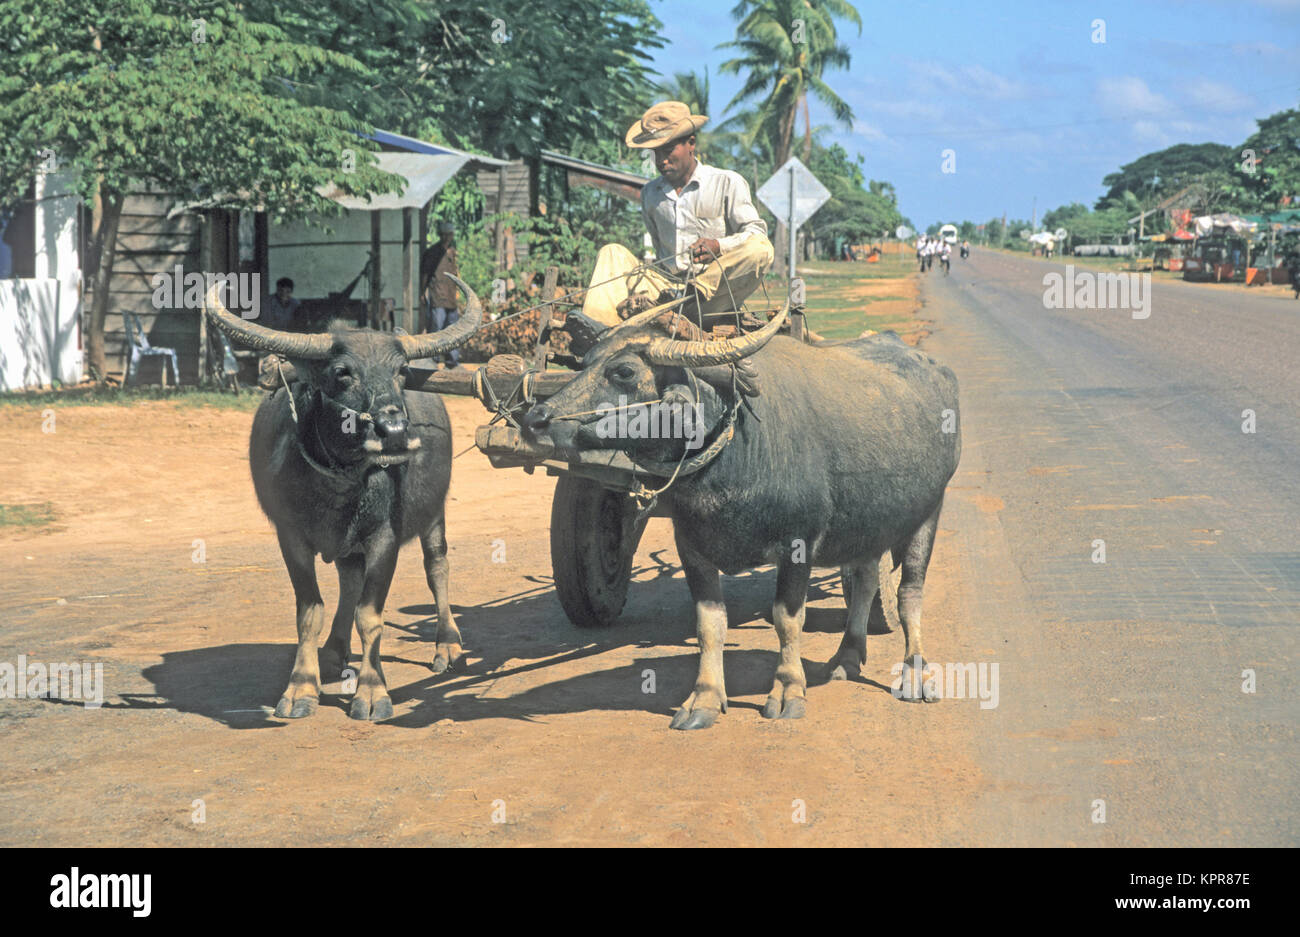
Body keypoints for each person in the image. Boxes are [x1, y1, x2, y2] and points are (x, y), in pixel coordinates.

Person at [582, 101, 774, 328]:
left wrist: (718, 246)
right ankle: (598, 327)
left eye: (668, 150)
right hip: (665, 292)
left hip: (712, 296)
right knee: (612, 252)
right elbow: (659, 248)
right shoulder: (650, 193)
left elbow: (755, 232)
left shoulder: (726, 182)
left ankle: (692, 298)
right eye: (655, 152)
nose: (661, 160)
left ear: (691, 143)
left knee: (761, 249)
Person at [420, 221, 461, 367]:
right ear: (441, 235)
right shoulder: (433, 252)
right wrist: (422, 291)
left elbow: (456, 274)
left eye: (449, 235)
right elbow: (425, 274)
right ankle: (434, 359)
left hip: (451, 297)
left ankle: (452, 361)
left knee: (454, 330)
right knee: (436, 328)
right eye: (444, 235)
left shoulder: (452, 252)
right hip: (437, 295)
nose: (447, 238)